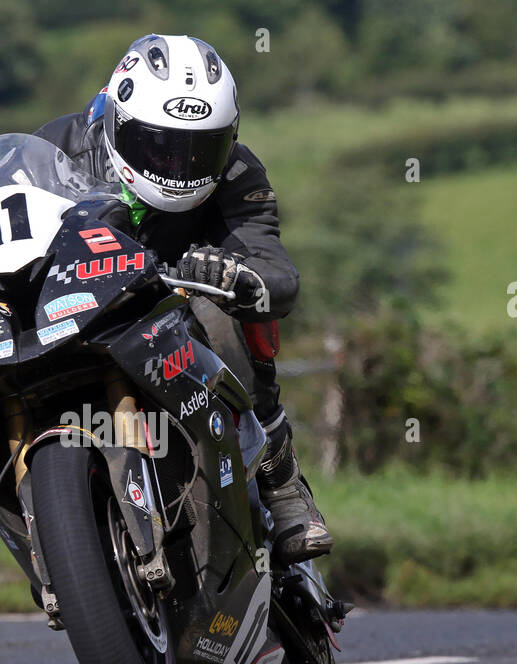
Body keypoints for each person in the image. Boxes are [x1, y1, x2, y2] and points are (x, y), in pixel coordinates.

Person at [34, 34, 331, 564]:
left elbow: (273, 265)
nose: (179, 164)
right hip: (74, 313)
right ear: (118, 124)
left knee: (227, 311)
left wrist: (242, 278)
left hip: (178, 316)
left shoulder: (238, 173)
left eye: (200, 149)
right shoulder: (58, 150)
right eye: (159, 145)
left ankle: (281, 482)